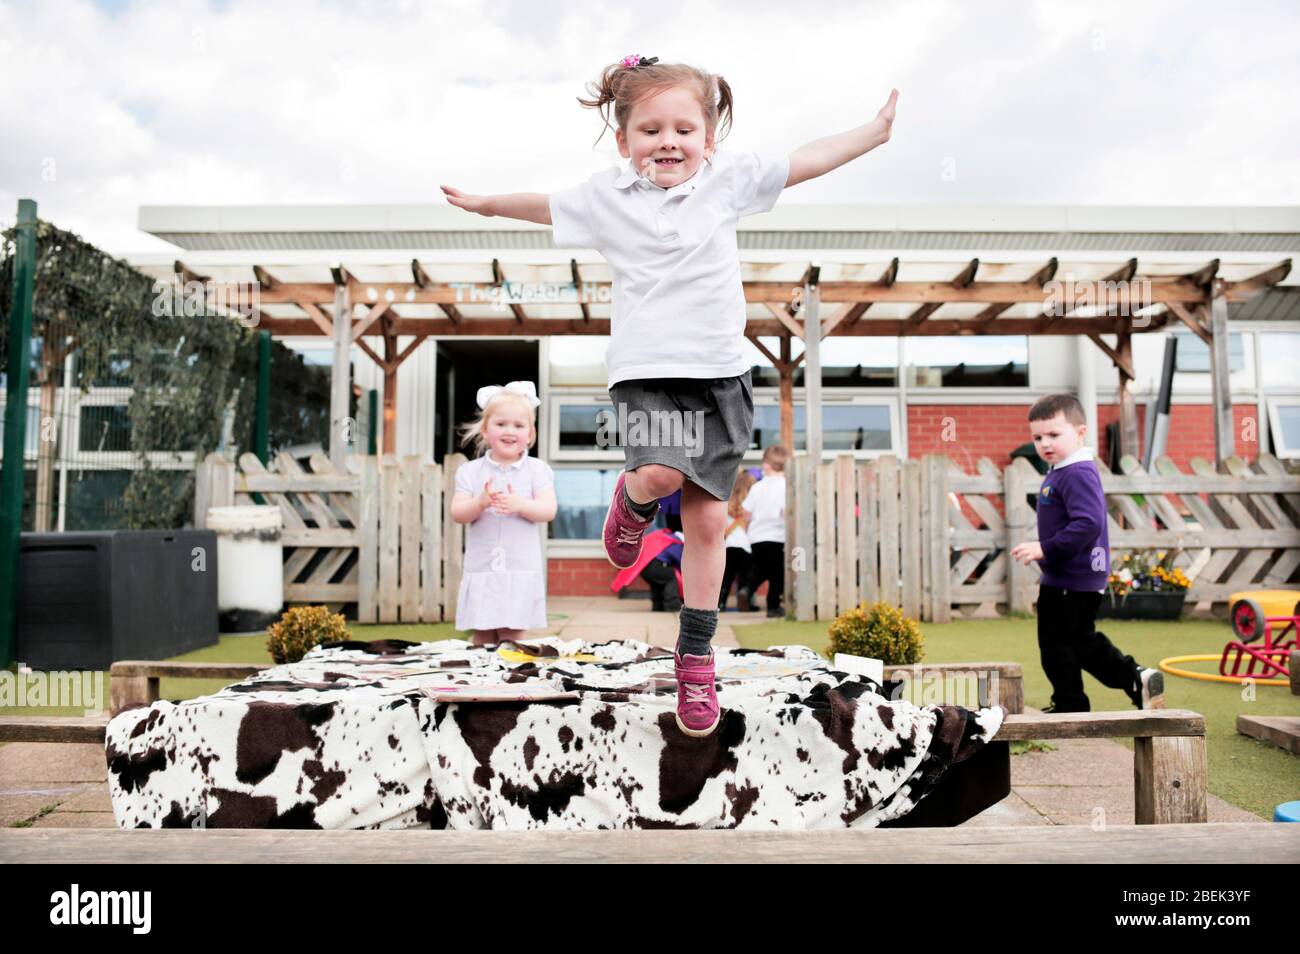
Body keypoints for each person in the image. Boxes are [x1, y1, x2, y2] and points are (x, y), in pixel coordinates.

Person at [442, 55, 898, 735]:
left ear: (708, 139)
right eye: (650, 129)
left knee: (709, 523)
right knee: (657, 472)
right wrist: (486, 203)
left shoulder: (729, 182)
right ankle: (632, 500)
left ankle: (695, 659)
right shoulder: (606, 197)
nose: (668, 141)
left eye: (684, 128)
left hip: (722, 375)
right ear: (624, 139)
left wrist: (873, 132)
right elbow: (545, 205)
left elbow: (804, 160)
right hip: (649, 374)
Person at [1009, 393, 1165, 712]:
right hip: (1063, 576)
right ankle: (1074, 700)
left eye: (1054, 434)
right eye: (1038, 437)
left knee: (1072, 642)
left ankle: (1128, 679)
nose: (1045, 443)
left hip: (1075, 578)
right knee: (1063, 643)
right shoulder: (1060, 470)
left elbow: (1089, 523)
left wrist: (1044, 548)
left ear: (1080, 432)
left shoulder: (1077, 472)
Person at [448, 381, 557, 647]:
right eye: (501, 424)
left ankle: (510, 679)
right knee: (482, 635)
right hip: (483, 567)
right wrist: (480, 502)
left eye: (519, 426)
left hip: (519, 567)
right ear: (485, 430)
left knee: (513, 635)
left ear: (530, 434)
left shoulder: (537, 470)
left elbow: (548, 510)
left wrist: (520, 505)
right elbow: (458, 513)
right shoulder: (471, 472)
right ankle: (480, 679)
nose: (510, 431)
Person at [735, 445, 788, 617]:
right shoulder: (786, 485)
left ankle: (746, 589)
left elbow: (746, 512)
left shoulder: (758, 487)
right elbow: (787, 512)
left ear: (766, 465)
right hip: (777, 535)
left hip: (757, 536)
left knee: (760, 569)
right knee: (777, 573)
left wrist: (749, 526)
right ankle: (773, 606)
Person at [718, 467, 756, 610]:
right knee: (745, 577)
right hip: (747, 546)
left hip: (729, 545)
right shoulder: (750, 507)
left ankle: (720, 603)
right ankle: (745, 603)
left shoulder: (726, 504)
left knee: (726, 577)